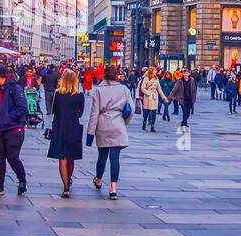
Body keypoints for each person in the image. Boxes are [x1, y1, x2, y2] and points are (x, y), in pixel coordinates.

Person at [86, 65, 132, 200]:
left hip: (103, 124)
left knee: (102, 156)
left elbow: (94, 113)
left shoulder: (99, 90)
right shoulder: (124, 89)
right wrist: (124, 122)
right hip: (117, 124)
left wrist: (90, 134)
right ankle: (113, 189)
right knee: (115, 158)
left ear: (104, 75)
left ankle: (99, 180)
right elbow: (131, 108)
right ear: (116, 75)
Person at [0, 63, 29, 196]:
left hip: (14, 129)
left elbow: (22, 107)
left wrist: (8, 117)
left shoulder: (14, 88)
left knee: (12, 157)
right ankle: (0, 185)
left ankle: (22, 180)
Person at [47, 70, 83, 197]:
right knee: (71, 157)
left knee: (62, 158)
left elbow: (53, 110)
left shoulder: (57, 95)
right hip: (73, 128)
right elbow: (81, 113)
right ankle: (69, 179)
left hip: (59, 127)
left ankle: (66, 187)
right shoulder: (79, 95)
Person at [137, 67, 162, 132]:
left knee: (154, 112)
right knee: (146, 111)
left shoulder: (156, 79)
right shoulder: (146, 78)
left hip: (154, 97)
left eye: (156, 70)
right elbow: (142, 88)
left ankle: (152, 126)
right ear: (151, 71)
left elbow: (159, 89)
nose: (156, 71)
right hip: (147, 97)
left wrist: (164, 97)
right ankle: (144, 122)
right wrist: (148, 93)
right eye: (155, 70)